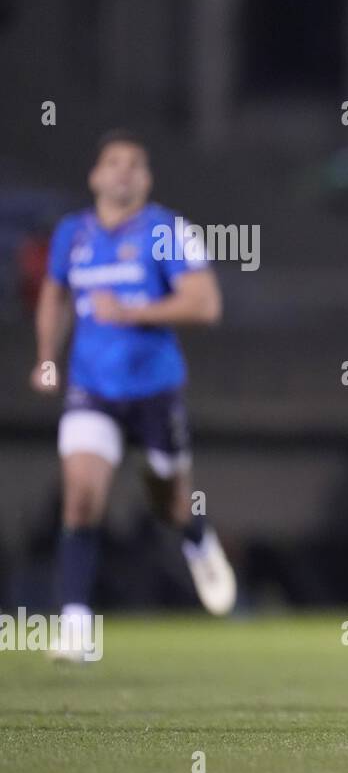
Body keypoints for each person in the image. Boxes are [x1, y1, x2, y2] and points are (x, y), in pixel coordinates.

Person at [30, 130, 233, 658]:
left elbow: (206, 304)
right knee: (80, 498)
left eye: (135, 164)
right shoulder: (72, 234)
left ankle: (197, 537)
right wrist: (48, 357)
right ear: (95, 175)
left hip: (154, 390)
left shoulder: (166, 230)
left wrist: (133, 311)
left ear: (147, 179)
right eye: (113, 162)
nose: (123, 171)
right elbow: (54, 295)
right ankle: (77, 630)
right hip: (91, 389)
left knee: (169, 501)